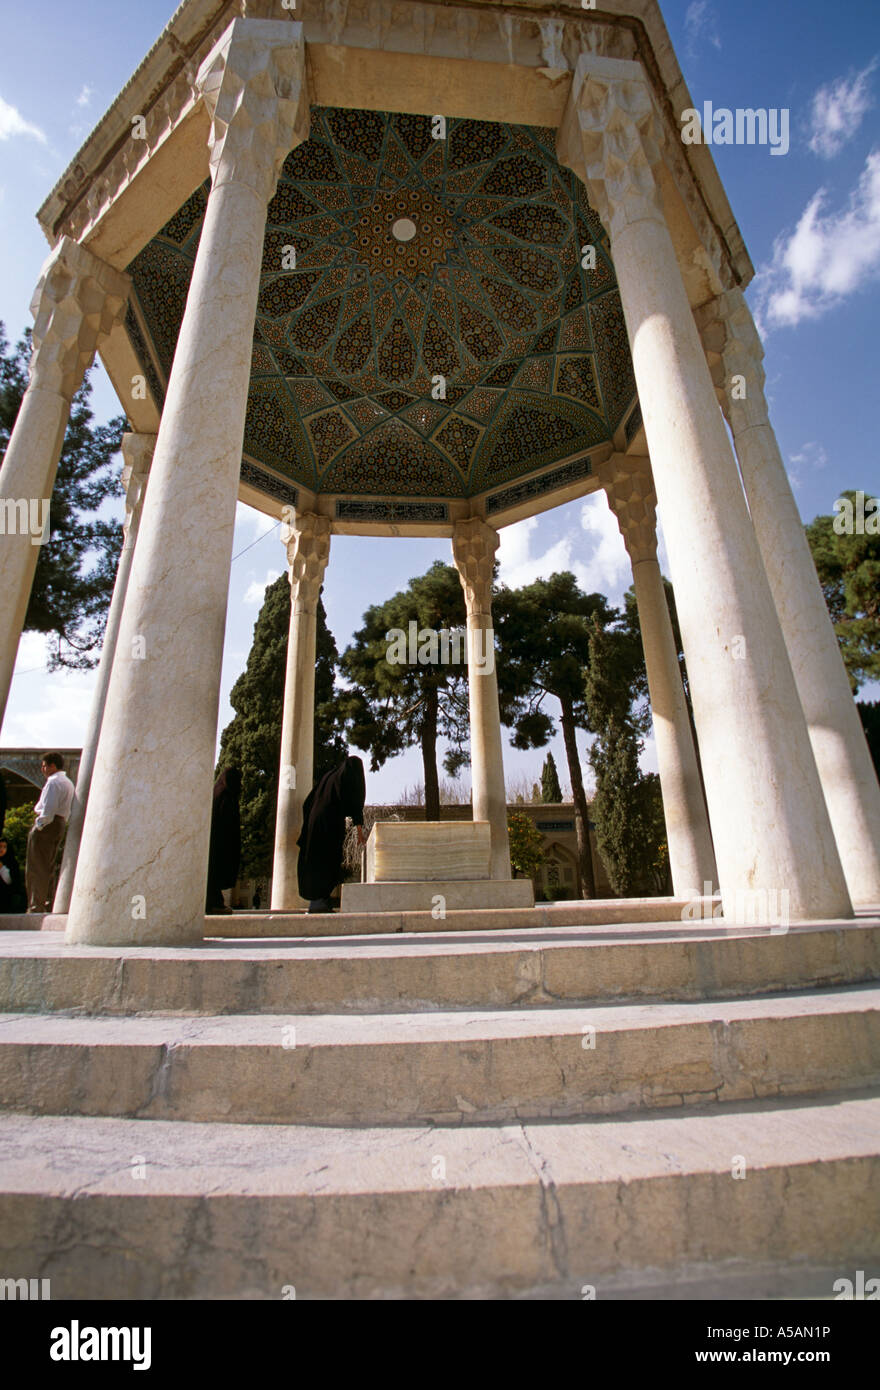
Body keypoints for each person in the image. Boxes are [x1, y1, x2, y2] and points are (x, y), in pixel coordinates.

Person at [297, 754, 366, 913]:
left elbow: (307, 802)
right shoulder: (348, 776)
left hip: (313, 824)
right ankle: (320, 901)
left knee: (314, 861)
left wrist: (308, 824)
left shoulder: (329, 776)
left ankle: (318, 900)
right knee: (328, 860)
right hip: (329, 824)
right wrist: (359, 829)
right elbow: (355, 800)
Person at [26, 752, 74, 913]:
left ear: (53, 766)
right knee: (48, 866)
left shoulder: (54, 782)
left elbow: (48, 810)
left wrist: (38, 825)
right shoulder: (67, 782)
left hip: (48, 825)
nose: (43, 769)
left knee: (37, 866)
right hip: (59, 823)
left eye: (45, 765)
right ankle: (47, 902)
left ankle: (36, 905)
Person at [206, 767, 242, 915]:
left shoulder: (217, 794)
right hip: (219, 846)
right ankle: (214, 904)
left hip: (215, 846)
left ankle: (214, 903)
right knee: (213, 874)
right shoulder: (225, 797)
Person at [0, 836, 24, 914]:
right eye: (0, 846)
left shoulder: (12, 862)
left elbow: (12, 882)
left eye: (4, 847)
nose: (2, 849)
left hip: (7, 898)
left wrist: (2, 868)